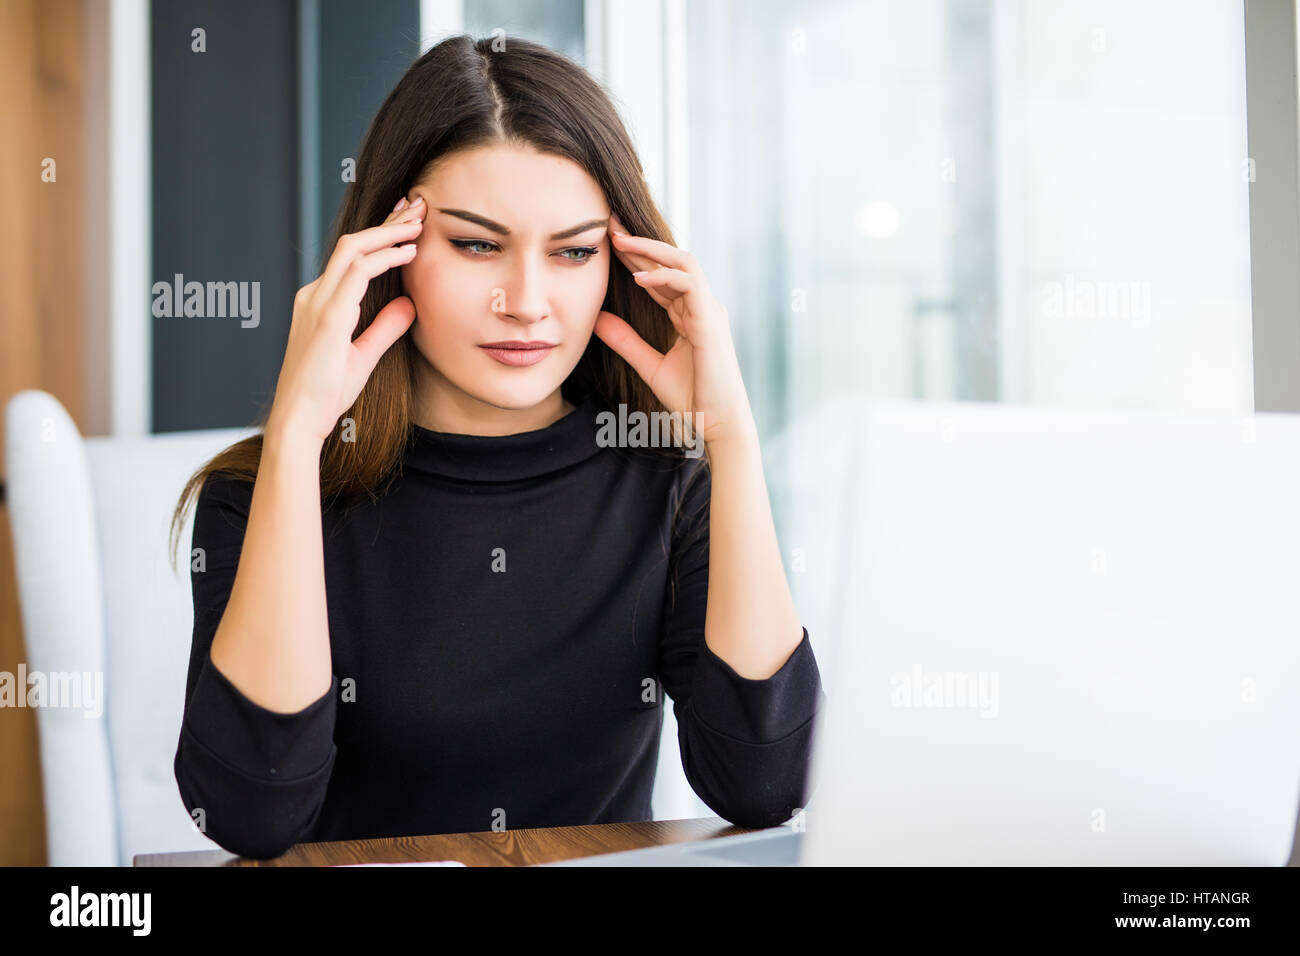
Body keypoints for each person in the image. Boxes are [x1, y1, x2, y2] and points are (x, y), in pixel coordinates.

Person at [169, 33, 826, 861]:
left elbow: (765, 787)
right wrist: (299, 440)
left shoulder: (670, 492)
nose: (527, 302)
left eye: (574, 251)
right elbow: (250, 818)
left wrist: (730, 441)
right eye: (478, 244)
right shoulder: (260, 494)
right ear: (389, 250)